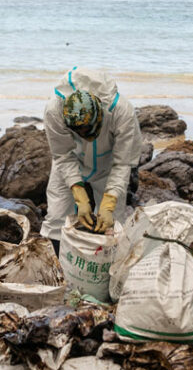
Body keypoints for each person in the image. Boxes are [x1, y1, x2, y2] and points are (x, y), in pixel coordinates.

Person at [40, 67, 142, 241]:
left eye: (89, 129)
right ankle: (59, 263)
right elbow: (63, 155)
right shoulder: (54, 111)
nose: (84, 135)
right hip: (71, 159)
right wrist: (79, 193)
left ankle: (108, 265)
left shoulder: (122, 112)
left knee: (112, 224)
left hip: (108, 164)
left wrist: (109, 202)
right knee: (57, 217)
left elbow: (122, 162)